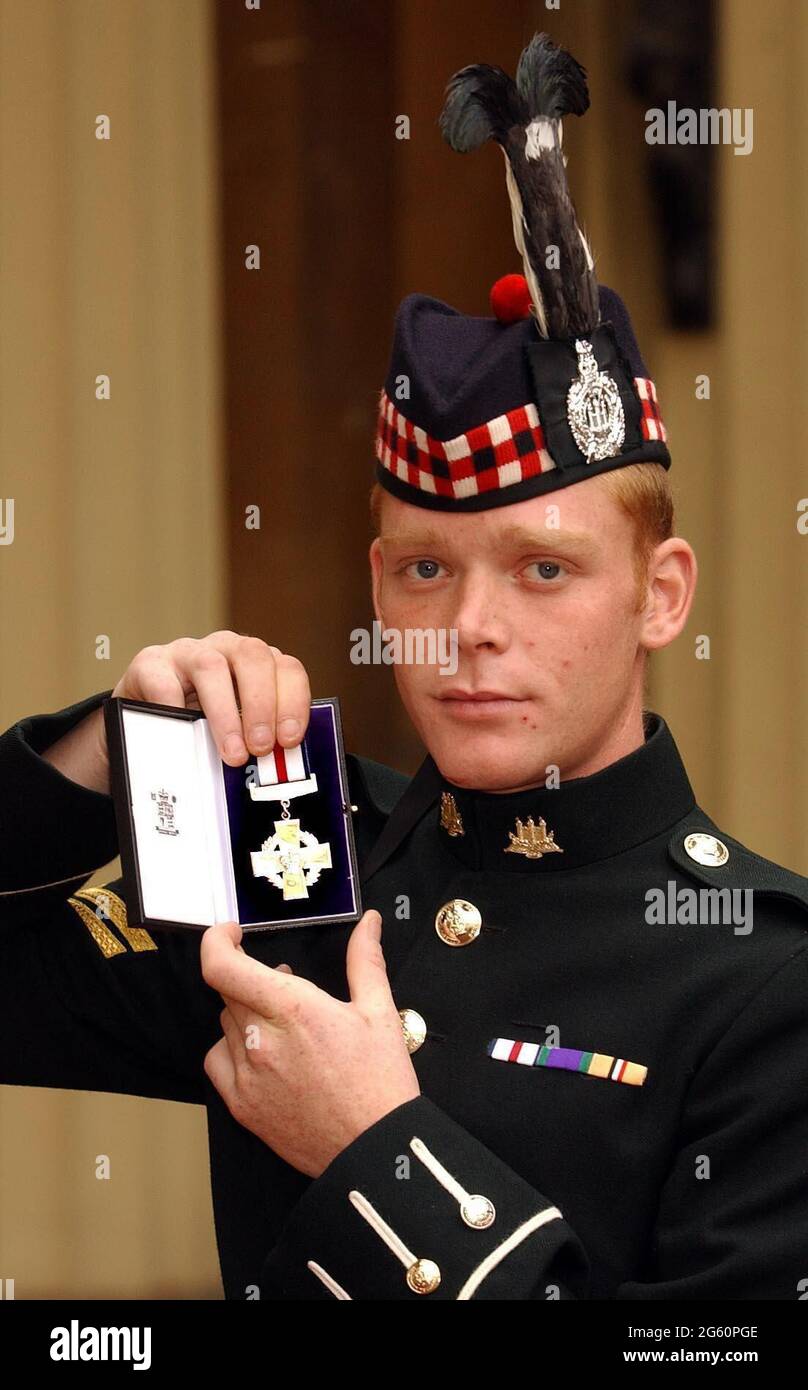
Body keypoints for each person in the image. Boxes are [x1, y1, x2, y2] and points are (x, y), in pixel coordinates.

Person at [2, 32, 806, 1302]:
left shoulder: (763, 978)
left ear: (662, 596)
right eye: (426, 569)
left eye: (542, 569)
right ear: (379, 587)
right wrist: (101, 750)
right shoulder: (295, 867)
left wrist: (377, 1152)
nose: (470, 626)